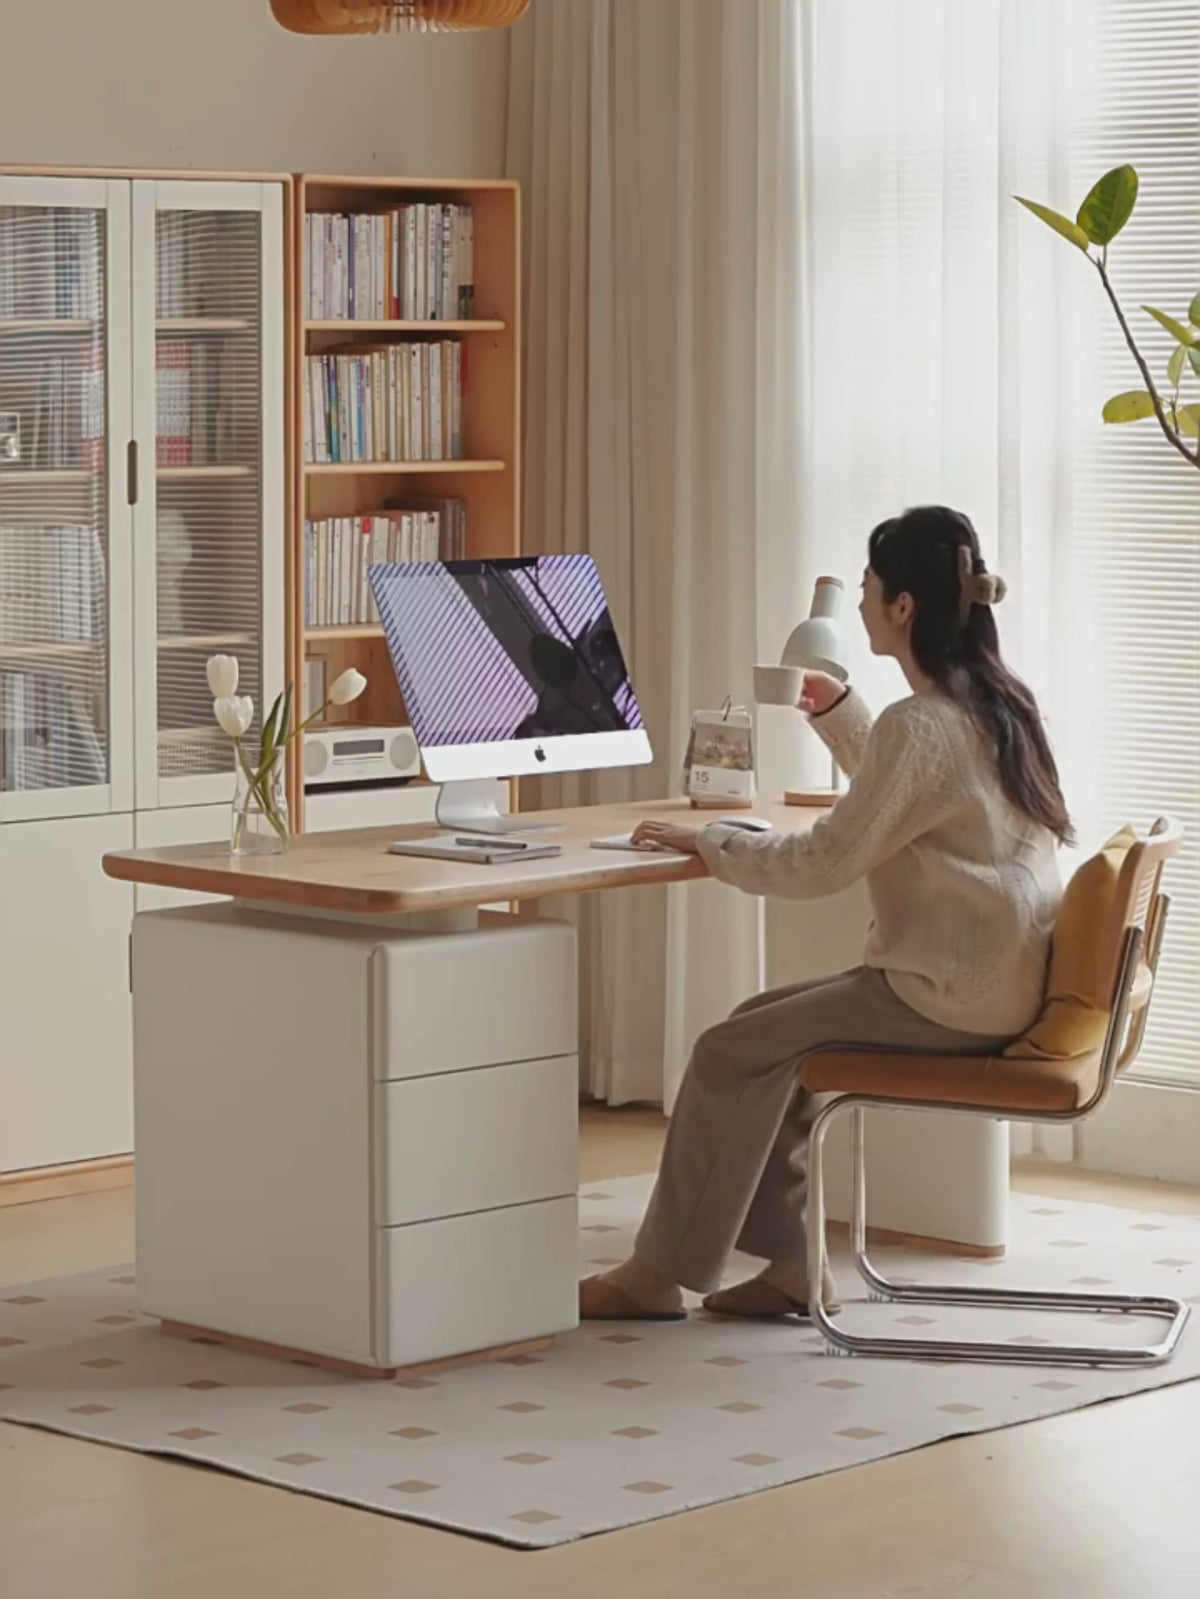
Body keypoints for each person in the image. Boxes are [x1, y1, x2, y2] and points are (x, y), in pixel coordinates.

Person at [579, 505, 1070, 1323]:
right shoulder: (995, 703)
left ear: (901, 607)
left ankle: (655, 1274)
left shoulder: (925, 724)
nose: (867, 596)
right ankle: (791, 1267)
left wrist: (713, 843)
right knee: (764, 1029)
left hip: (947, 992)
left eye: (871, 583)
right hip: (995, 976)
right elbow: (915, 792)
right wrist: (840, 712)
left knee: (727, 1049)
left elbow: (826, 860)